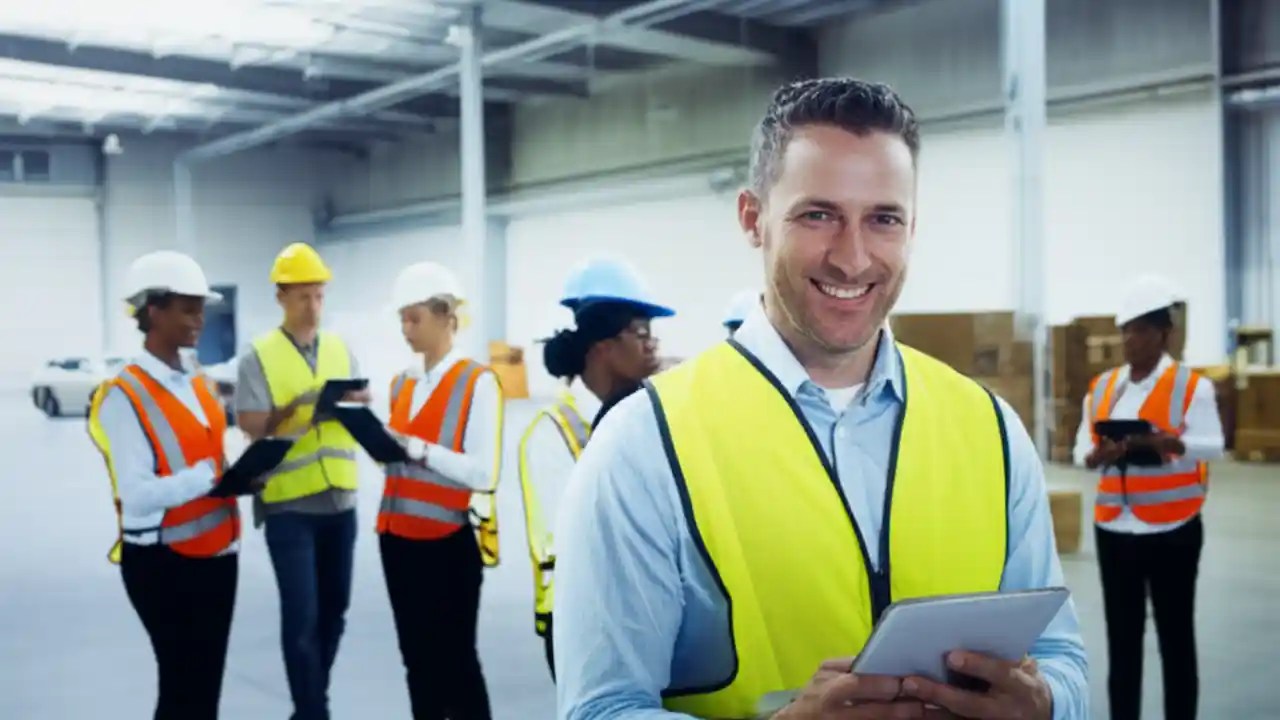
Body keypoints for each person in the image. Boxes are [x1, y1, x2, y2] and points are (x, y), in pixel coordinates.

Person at [553, 77, 1089, 720]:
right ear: (754, 219)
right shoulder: (646, 444)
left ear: (911, 227)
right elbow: (601, 708)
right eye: (818, 214)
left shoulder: (989, 429)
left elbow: (1061, 656)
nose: (853, 258)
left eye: (883, 219)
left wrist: (1049, 703)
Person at [87, 251, 239, 719]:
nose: (199, 319)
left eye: (201, 308)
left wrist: (240, 471)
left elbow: (211, 450)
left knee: (205, 688)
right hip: (162, 560)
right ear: (153, 310)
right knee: (182, 687)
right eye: (188, 308)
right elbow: (135, 493)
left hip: (217, 550)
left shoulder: (196, 381)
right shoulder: (123, 395)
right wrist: (205, 479)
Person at [516, 258, 675, 680]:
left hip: (644, 614)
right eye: (641, 334)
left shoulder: (646, 415)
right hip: (581, 622)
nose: (653, 346)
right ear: (602, 348)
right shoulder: (551, 433)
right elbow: (564, 537)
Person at [1073, 274, 1222, 720]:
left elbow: (1214, 445)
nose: (1129, 340)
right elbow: (1081, 447)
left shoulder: (1193, 387)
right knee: (1122, 640)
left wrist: (1170, 444)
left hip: (1172, 528)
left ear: (1164, 333)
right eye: (1125, 330)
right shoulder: (1103, 387)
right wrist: (1098, 454)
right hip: (1115, 529)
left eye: (1140, 330)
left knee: (1176, 639)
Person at [234, 242, 369, 720]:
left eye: (318, 296)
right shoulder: (258, 356)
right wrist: (302, 407)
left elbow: (359, 404)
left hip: (340, 502)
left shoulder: (338, 347)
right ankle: (313, 711)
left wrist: (358, 399)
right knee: (302, 620)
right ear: (281, 298)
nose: (312, 307)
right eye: (302, 297)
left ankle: (311, 705)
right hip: (289, 507)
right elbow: (250, 422)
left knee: (335, 613)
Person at [377, 261, 504, 719]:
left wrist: (418, 449)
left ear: (446, 315)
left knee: (457, 663)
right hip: (395, 539)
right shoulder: (400, 384)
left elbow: (484, 474)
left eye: (415, 318)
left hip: (448, 545)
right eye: (402, 319)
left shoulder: (478, 382)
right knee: (417, 664)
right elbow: (399, 460)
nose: (406, 329)